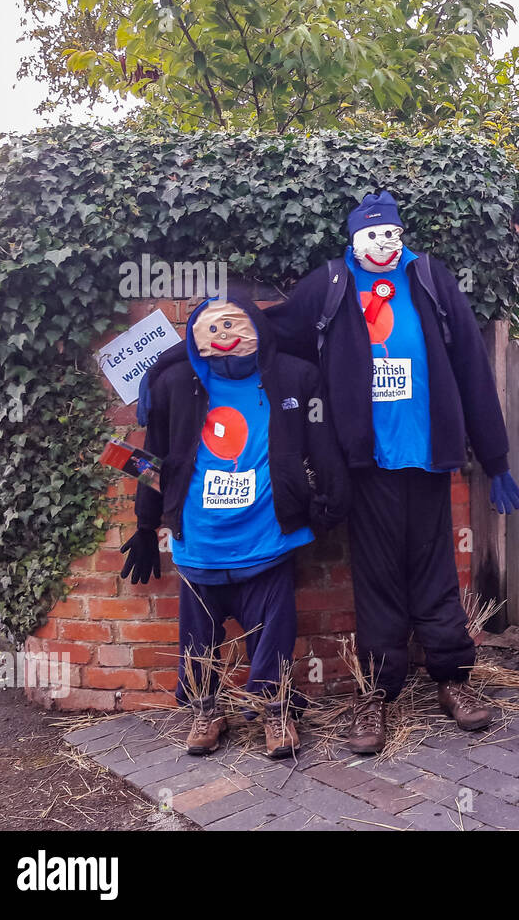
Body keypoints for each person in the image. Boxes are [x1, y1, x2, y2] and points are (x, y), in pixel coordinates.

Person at [263, 191, 519, 753]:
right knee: (377, 578)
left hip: (428, 458)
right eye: (372, 234)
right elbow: (269, 337)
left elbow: (473, 371)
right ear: (352, 240)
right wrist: (177, 362)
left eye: (392, 233)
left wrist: (494, 458)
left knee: (435, 573)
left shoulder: (429, 278)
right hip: (364, 464)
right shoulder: (330, 285)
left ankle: (452, 680)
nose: (384, 243)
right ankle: (377, 692)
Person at [120, 292, 349, 759]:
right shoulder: (174, 384)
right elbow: (153, 457)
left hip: (267, 536)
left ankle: (275, 708)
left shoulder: (296, 376)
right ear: (196, 339)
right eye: (213, 328)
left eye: (233, 325)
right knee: (197, 638)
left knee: (275, 633)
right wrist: (146, 525)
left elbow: (322, 444)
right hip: (199, 541)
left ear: (257, 329)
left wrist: (331, 501)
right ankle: (207, 709)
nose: (224, 337)